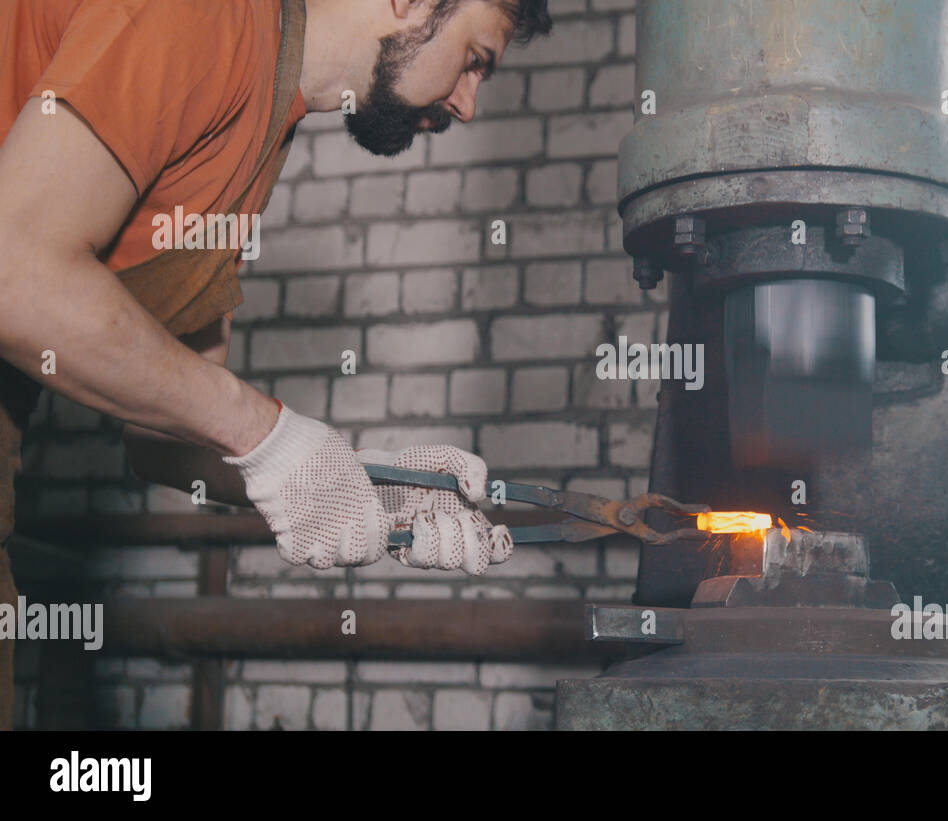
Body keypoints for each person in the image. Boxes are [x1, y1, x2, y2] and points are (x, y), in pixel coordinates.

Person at [0, 0, 552, 730]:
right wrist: (266, 432)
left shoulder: (263, 117)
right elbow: (15, 272)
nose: (468, 105)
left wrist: (371, 487)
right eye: (476, 59)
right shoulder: (203, 16)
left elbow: (163, 436)